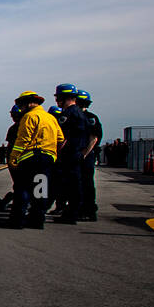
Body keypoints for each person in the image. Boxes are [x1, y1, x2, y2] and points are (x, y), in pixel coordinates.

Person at [2, 91, 63, 229]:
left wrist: (13, 157)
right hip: (47, 159)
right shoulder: (50, 118)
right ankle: (37, 220)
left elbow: (23, 140)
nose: (21, 108)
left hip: (31, 158)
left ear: (28, 103)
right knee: (40, 191)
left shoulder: (29, 117)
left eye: (21, 105)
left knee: (21, 189)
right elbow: (60, 139)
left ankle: (16, 220)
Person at [52, 84, 89, 224]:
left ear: (64, 97)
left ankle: (71, 214)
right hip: (76, 154)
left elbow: (62, 138)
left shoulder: (69, 114)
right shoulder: (80, 113)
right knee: (74, 185)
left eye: (58, 98)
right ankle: (72, 212)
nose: (57, 101)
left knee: (70, 186)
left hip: (69, 155)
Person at [77, 90, 102, 221]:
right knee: (82, 183)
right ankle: (82, 208)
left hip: (84, 155)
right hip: (84, 154)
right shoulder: (90, 117)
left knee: (84, 183)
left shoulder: (87, 118)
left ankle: (87, 209)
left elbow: (94, 138)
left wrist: (84, 154)